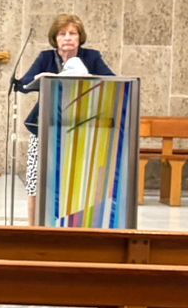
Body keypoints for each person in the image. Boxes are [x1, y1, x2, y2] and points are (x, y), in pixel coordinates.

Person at [12, 13, 115, 196]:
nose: (67, 38)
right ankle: (34, 226)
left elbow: (112, 81)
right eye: (62, 33)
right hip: (46, 126)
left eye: (72, 33)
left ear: (79, 37)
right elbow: (26, 84)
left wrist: (92, 79)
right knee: (35, 185)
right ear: (55, 38)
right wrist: (38, 78)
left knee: (79, 184)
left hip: (82, 127)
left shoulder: (91, 57)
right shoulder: (46, 58)